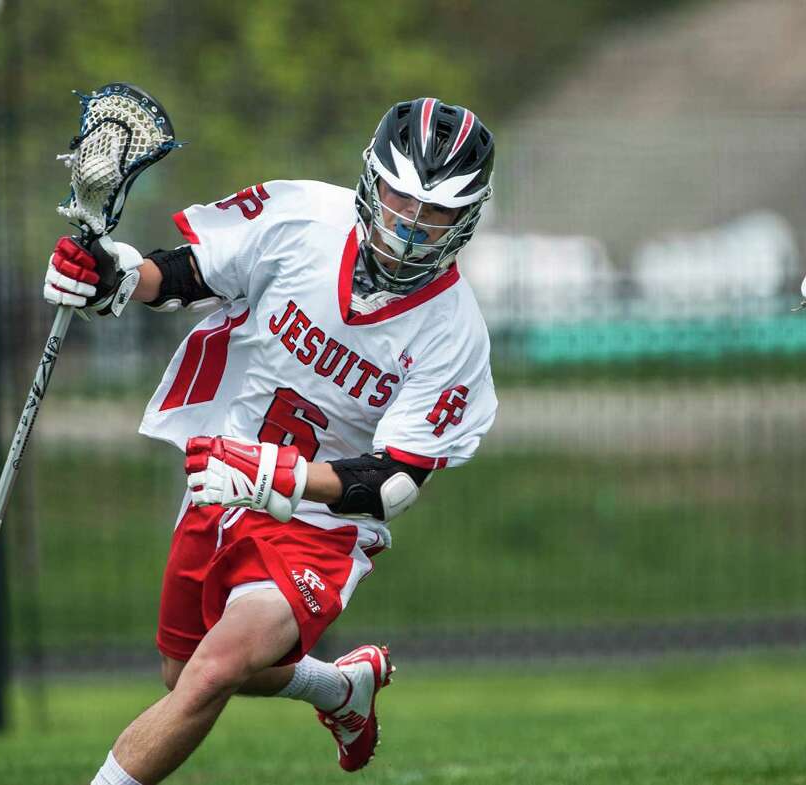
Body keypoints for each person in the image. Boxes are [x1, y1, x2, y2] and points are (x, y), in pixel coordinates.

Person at [44, 97, 498, 785]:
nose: (409, 225)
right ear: (371, 182)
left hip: (318, 522)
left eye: (434, 212)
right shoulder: (302, 218)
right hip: (223, 480)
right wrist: (117, 276)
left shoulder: (453, 331)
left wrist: (282, 477)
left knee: (215, 669)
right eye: (402, 199)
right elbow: (189, 274)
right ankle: (339, 688)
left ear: (465, 218)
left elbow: (395, 482)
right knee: (181, 671)